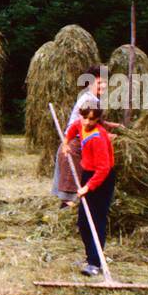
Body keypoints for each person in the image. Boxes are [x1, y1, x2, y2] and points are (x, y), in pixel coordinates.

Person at [64, 101, 116, 276]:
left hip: (102, 179)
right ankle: (91, 257)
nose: (86, 122)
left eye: (92, 119)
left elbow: (104, 169)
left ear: (98, 119)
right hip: (88, 173)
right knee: (83, 222)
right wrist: (66, 143)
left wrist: (87, 187)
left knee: (96, 220)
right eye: (84, 117)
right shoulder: (81, 123)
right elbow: (73, 128)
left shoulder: (99, 137)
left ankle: (95, 263)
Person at [52, 65, 105, 206]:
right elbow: (83, 126)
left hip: (79, 142)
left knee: (77, 184)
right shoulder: (88, 101)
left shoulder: (93, 99)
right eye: (100, 83)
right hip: (74, 144)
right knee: (70, 185)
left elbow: (98, 122)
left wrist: (114, 127)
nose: (104, 85)